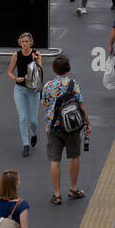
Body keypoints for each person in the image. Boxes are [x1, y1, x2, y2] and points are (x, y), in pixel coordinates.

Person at [40, 56, 91, 204]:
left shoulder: (48, 86)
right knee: (74, 156)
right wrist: (88, 123)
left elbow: (44, 104)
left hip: (53, 126)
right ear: (67, 69)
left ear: (54, 69)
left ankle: (57, 194)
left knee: (55, 160)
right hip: (72, 127)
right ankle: (73, 188)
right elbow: (81, 106)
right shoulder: (73, 84)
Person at [7, 32, 44, 156]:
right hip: (19, 90)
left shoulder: (36, 54)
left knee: (33, 120)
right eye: (22, 42)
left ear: (31, 42)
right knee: (23, 118)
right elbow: (10, 72)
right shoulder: (16, 55)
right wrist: (15, 79)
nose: (24, 44)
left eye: (27, 42)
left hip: (32, 90)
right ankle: (25, 144)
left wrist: (36, 59)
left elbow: (39, 72)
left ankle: (33, 133)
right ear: (20, 43)